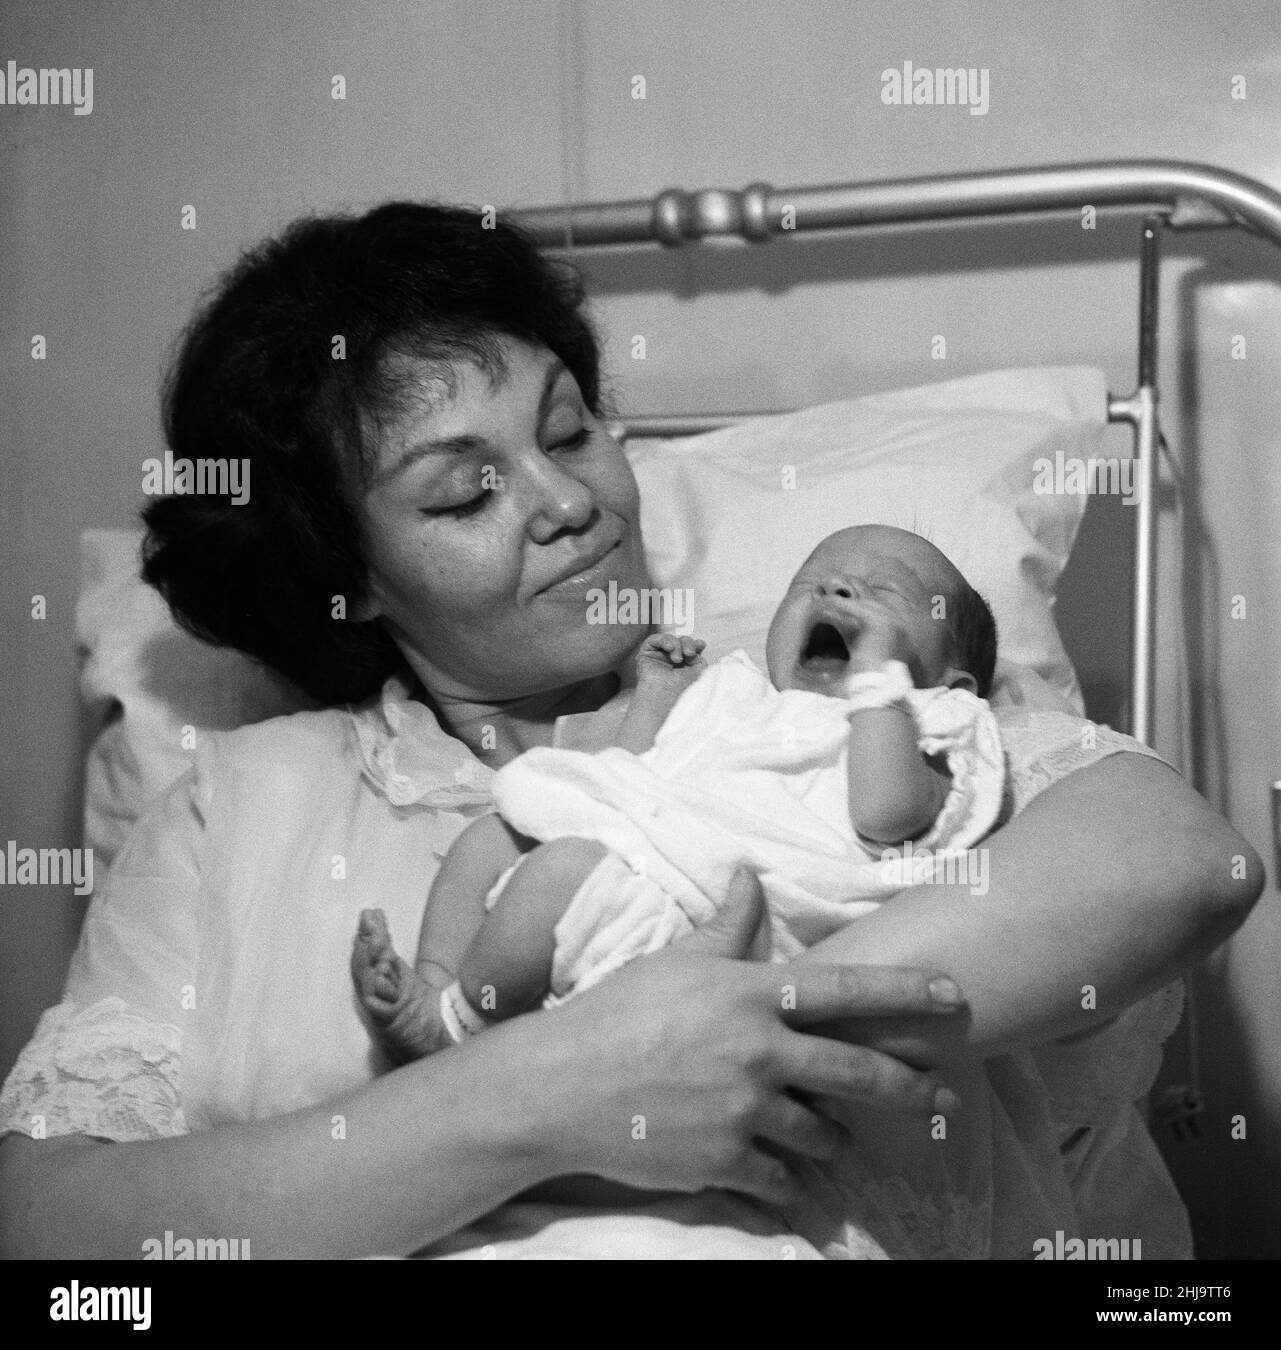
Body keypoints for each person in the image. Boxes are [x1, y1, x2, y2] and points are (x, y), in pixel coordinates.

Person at [0, 202, 1262, 1260]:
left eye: (568, 429)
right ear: (350, 570)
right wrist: (542, 1096)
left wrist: (731, 1032)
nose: (569, 500)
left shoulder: (804, 703)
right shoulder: (241, 810)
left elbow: (1184, 862)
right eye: (465, 492)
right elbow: (49, 1234)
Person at [352, 523, 1007, 1061]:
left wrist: (877, 683)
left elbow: (885, 816)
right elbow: (635, 775)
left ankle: (459, 1028)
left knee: (560, 871)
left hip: (707, 911)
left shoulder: (929, 724)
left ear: (953, 681)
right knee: (491, 834)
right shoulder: (738, 693)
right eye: (810, 582)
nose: (836, 588)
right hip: (644, 848)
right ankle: (434, 985)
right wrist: (659, 700)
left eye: (882, 591)